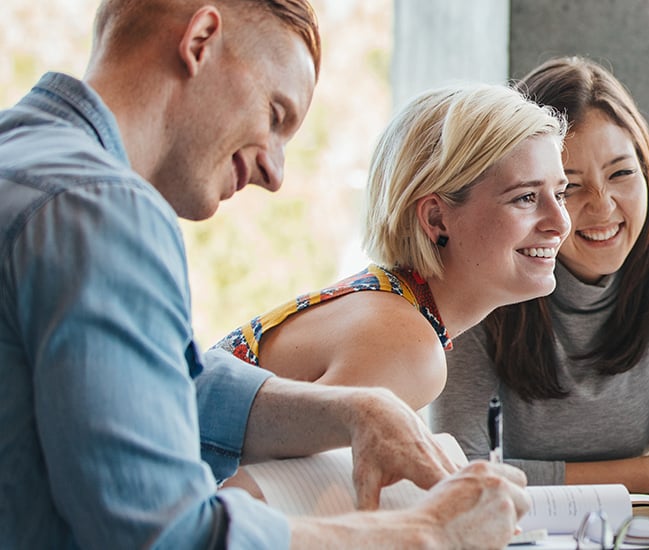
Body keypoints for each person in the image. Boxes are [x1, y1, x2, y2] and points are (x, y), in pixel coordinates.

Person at [0, 1, 532, 547]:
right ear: (201, 40)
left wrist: (355, 409)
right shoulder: (103, 210)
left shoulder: (25, 161)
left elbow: (153, 387)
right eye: (275, 116)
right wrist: (428, 532)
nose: (275, 173)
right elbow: (167, 535)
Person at [431, 56, 649, 494]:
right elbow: (462, 474)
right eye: (569, 187)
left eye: (621, 173)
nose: (602, 206)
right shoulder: (481, 280)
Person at [213, 82, 571, 411]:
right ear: (435, 219)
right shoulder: (406, 347)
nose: (560, 222)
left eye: (560, 194)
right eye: (525, 197)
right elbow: (255, 481)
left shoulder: (391, 306)